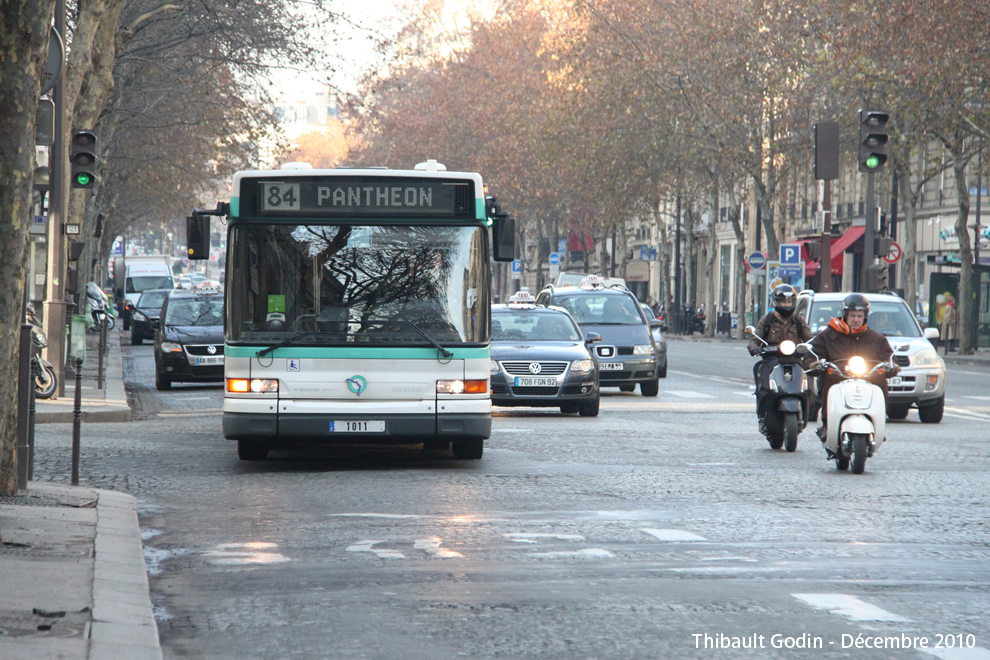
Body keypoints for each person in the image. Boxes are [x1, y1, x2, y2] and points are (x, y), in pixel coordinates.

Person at [807, 293, 893, 437]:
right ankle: (827, 424)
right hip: (837, 376)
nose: (856, 320)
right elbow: (813, 353)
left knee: (881, 381)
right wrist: (814, 364)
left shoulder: (877, 338)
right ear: (845, 314)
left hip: (867, 378)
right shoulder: (828, 335)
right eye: (852, 315)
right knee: (828, 382)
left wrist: (891, 366)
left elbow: (888, 357)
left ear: (865, 316)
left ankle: (879, 419)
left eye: (859, 316)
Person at [748, 284, 813, 430]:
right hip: (772, 359)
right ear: (776, 302)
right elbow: (755, 338)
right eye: (784, 302)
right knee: (763, 386)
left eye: (790, 302)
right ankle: (763, 414)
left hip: (795, 359)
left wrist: (814, 348)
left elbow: (810, 339)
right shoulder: (767, 319)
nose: (787, 305)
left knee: (808, 385)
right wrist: (755, 347)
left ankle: (806, 410)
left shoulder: (799, 320)